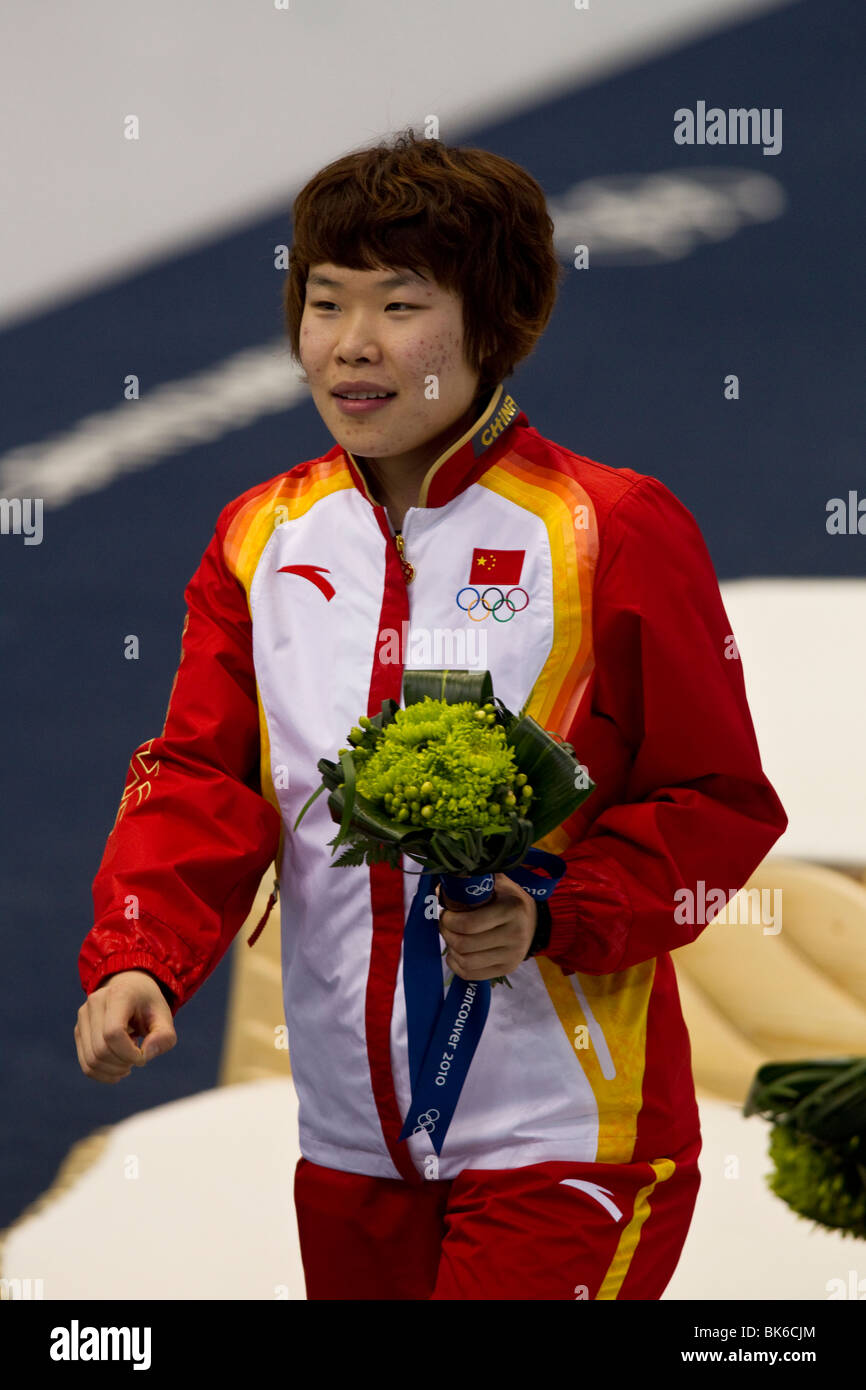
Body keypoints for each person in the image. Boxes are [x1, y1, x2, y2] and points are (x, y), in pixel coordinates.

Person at [76, 129, 788, 1300]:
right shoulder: (262, 538)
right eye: (323, 302)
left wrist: (556, 912)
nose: (350, 346)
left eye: (400, 305)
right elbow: (202, 773)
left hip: (568, 1136)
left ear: (494, 322)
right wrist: (139, 954)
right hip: (352, 1144)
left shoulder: (610, 529)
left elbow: (717, 806)